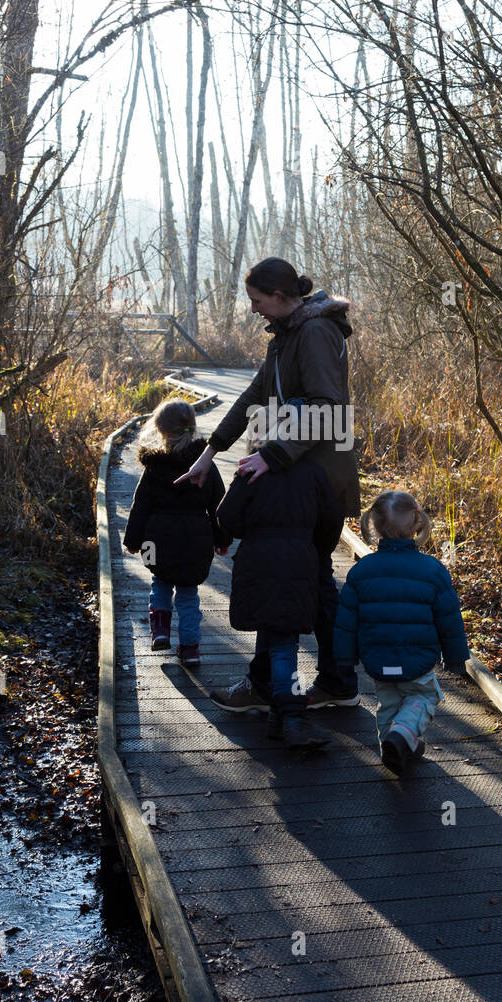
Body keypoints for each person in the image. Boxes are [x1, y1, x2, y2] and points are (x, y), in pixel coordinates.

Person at [175, 257, 361, 714]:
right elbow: (253, 396)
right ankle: (327, 681)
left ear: (280, 297)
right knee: (309, 578)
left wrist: (273, 454)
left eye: (258, 301)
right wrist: (209, 452)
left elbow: (326, 407)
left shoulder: (314, 333)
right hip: (299, 476)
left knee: (297, 573)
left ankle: (284, 683)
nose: (254, 309)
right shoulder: (287, 334)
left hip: (314, 480)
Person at [215, 421, 344, 750]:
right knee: (283, 638)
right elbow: (331, 521)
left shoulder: (249, 472)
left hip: (257, 563)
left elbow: (226, 516)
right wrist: (313, 548)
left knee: (275, 635)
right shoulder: (314, 474)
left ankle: (284, 714)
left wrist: (252, 529)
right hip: (298, 563)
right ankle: (292, 717)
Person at [332, 490, 470, 774]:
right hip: (416, 658)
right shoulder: (432, 570)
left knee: (389, 702)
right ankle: (404, 733)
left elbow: (346, 619)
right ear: (417, 524)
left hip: (378, 658)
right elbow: (448, 618)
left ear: (376, 525)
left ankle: (391, 748)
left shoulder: (362, 570)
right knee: (424, 696)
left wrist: (344, 658)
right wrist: (455, 658)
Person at [122, 398, 231, 666]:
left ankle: (160, 631)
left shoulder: (154, 466)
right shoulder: (205, 465)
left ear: (162, 432)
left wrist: (133, 541)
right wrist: (222, 539)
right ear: (192, 429)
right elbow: (219, 504)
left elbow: (141, 506)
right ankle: (190, 647)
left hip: (157, 540)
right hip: (195, 540)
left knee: (159, 581)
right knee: (188, 594)